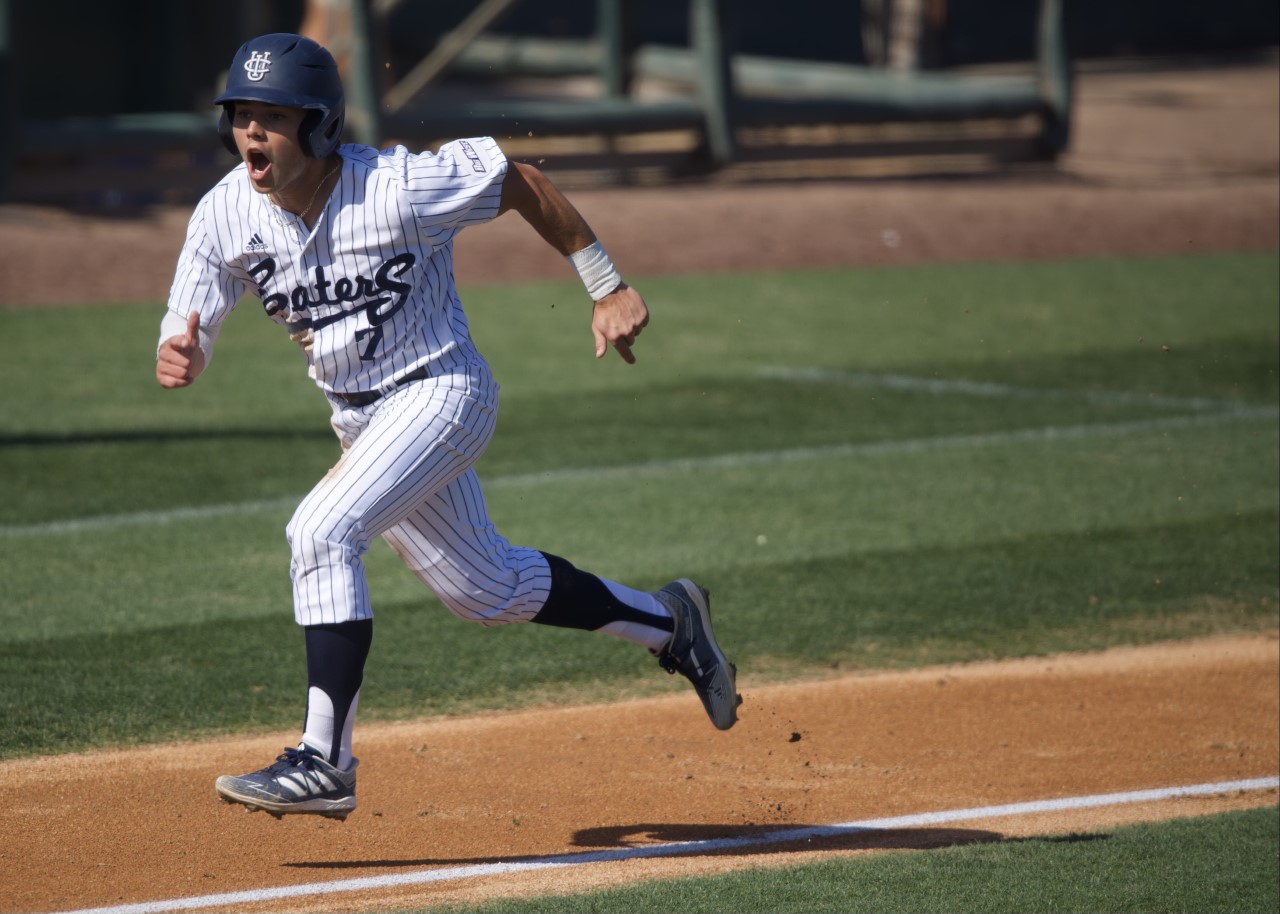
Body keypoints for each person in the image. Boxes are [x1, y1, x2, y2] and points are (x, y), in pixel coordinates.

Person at [155, 33, 740, 821]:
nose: (251, 132)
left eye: (272, 116)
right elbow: (193, 308)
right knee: (486, 589)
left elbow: (520, 181)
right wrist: (183, 349)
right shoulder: (226, 212)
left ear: (319, 125)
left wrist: (607, 285)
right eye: (242, 115)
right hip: (362, 422)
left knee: (321, 531)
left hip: (442, 392)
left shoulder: (397, 187)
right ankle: (672, 625)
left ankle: (324, 760)